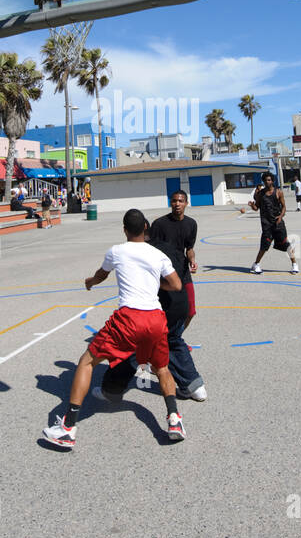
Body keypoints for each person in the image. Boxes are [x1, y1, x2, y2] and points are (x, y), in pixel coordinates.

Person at [42, 208, 185, 450]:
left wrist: (90, 282)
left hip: (129, 319)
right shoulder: (157, 254)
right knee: (161, 368)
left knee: (86, 362)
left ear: (124, 230)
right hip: (156, 318)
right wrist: (153, 283)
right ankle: (174, 420)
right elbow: (176, 284)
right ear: (146, 229)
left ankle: (67, 428)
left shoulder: (116, 251)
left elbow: (101, 275)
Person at [148, 190, 198, 333]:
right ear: (170, 203)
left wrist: (192, 260)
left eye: (181, 201)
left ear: (186, 203)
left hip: (183, 272)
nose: (177, 204)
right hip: (165, 274)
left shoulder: (191, 224)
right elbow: (151, 250)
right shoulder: (159, 224)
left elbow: (189, 248)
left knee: (190, 312)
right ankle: (166, 342)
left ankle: (175, 339)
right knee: (165, 312)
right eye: (174, 201)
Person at [249, 171, 299, 274]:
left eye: (269, 180)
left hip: (278, 223)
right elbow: (256, 208)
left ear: (272, 181)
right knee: (264, 246)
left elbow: (284, 207)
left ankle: (294, 264)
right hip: (266, 224)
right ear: (263, 181)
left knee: (286, 244)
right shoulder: (260, 194)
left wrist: (281, 216)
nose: (267, 182)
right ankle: (256, 264)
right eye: (265, 180)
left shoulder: (278, 192)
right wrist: (251, 205)